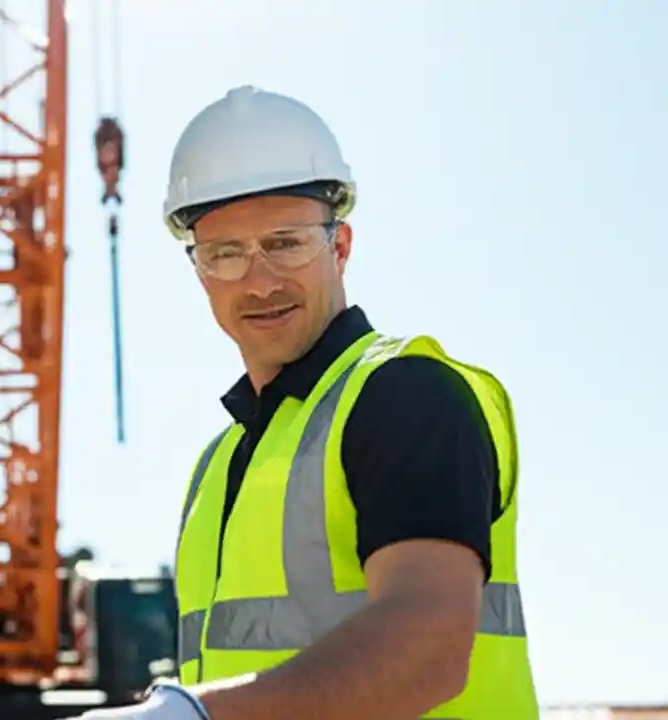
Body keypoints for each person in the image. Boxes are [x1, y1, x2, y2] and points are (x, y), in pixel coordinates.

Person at [72, 85, 538, 719]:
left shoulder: (406, 393)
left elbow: (429, 646)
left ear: (339, 246)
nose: (260, 281)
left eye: (286, 243)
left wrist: (194, 715)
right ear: (199, 272)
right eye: (226, 254)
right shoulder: (222, 464)